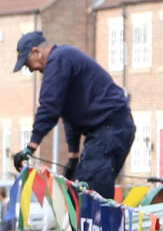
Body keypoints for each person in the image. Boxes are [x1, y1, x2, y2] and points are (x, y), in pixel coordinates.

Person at [11, 31, 135, 196]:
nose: (31, 69)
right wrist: (73, 157)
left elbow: (49, 107)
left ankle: (103, 220)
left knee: (89, 191)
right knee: (79, 190)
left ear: (36, 52)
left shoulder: (58, 60)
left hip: (110, 128)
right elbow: (70, 116)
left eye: (28, 64)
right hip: (111, 129)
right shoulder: (62, 61)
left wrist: (31, 146)